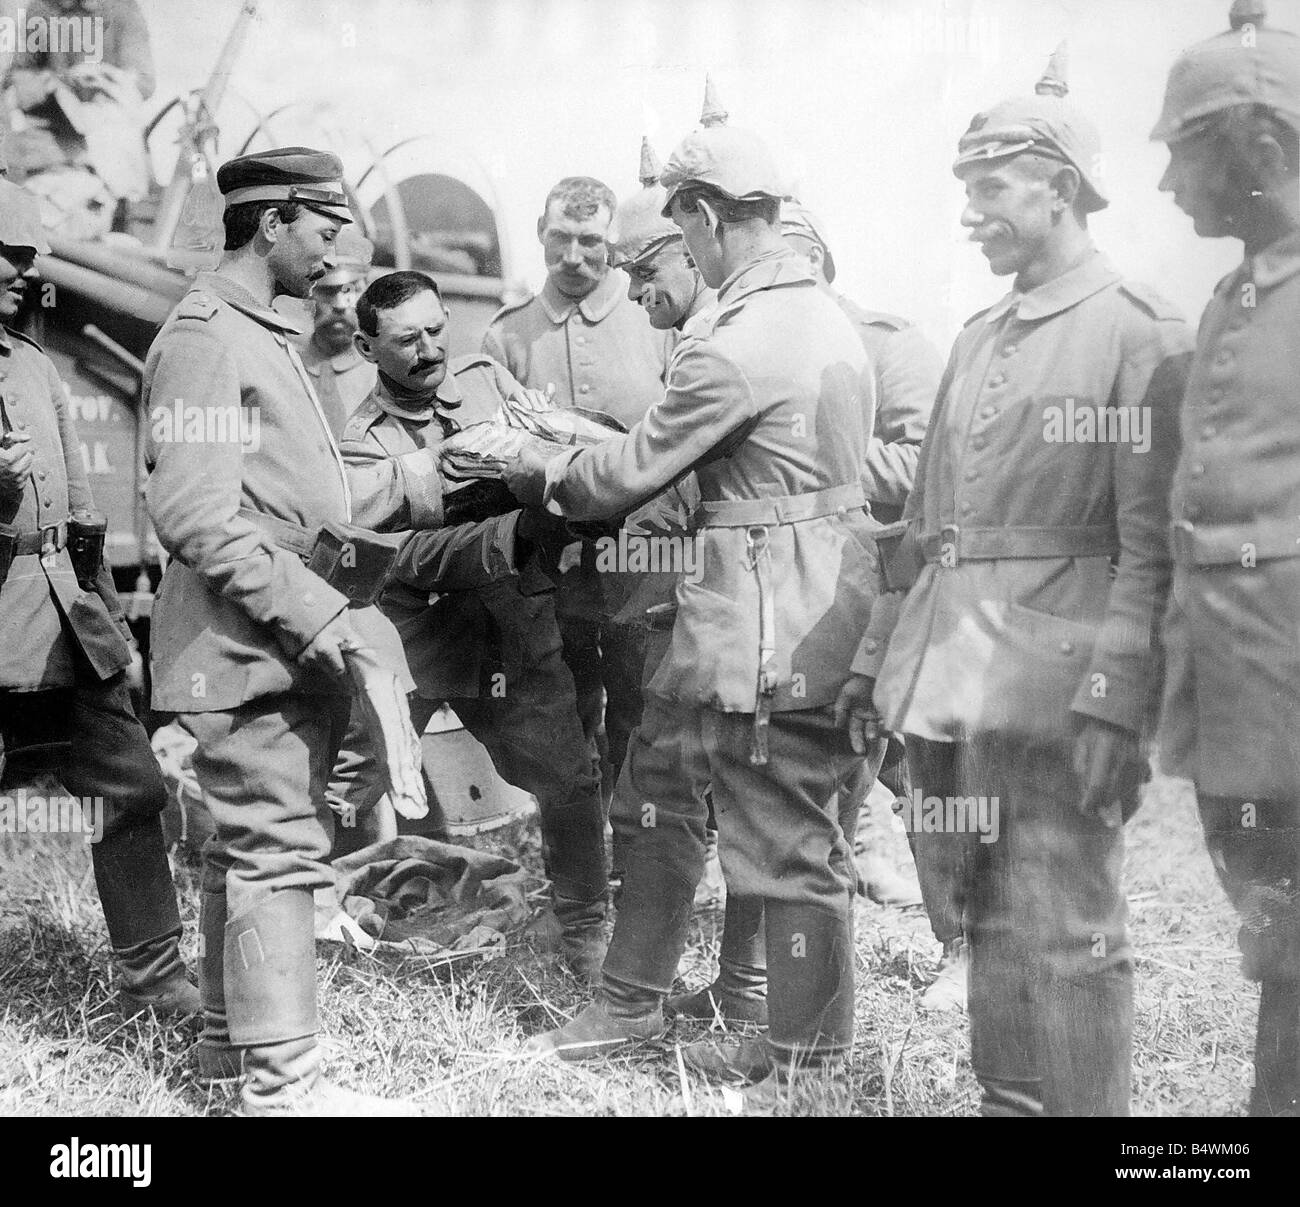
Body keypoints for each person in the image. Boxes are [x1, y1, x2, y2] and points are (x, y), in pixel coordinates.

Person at [838, 50, 1193, 1117]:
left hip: (1060, 692)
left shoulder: (1139, 328)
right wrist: (870, 662)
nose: (971, 216)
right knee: (979, 907)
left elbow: (1150, 550)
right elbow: (925, 527)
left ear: (1059, 185)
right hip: (952, 683)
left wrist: (1113, 701)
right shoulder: (980, 336)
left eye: (989, 189)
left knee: (1071, 929)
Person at [505, 119, 882, 1105]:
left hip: (760, 617)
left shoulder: (736, 338)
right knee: (693, 797)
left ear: (705, 219)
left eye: (675, 239)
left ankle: (806, 1069)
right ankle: (683, 1009)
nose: (654, 278)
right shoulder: (823, 313)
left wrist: (527, 466)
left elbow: (618, 479)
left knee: (788, 843)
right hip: (782, 604)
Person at [143, 146, 418, 1117]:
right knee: (275, 851)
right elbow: (196, 515)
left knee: (242, 845)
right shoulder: (209, 336)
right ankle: (282, 1084)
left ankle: (230, 1051)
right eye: (327, 225)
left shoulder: (266, 330)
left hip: (267, 639)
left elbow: (301, 491)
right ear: (273, 223)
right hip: (244, 641)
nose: (339, 248)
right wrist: (324, 611)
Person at [332, 268, 610, 982]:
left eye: (434, 330)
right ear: (367, 348)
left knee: (566, 770)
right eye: (405, 340)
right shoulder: (358, 442)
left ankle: (581, 920)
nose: (428, 350)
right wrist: (509, 523)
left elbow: (550, 452)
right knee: (352, 780)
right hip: (414, 632)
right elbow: (394, 554)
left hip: (508, 619)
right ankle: (327, 920)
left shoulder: (486, 378)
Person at [1152, 0, 1300, 1117]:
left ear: (1257, 143)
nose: (1168, 187)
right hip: (1239, 686)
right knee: (1279, 934)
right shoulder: (1234, 294)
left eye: (1183, 151)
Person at [0, 175, 196, 1020]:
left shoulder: (33, 364)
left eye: (26, 253)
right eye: (6, 254)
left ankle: (153, 980)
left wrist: (111, 625)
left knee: (134, 788)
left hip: (64, 619)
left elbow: (82, 511)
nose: (26, 268)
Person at [483, 174, 674, 812]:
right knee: (563, 709)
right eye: (559, 238)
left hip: (648, 555)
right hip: (550, 560)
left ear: (613, 242)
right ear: (539, 235)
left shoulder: (658, 317)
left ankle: (646, 848)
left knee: (643, 700)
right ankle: (581, 851)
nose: (573, 257)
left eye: (591, 241)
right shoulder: (506, 337)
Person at [782, 200, 940, 915]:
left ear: (811, 259)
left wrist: (808, 459)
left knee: (922, 767)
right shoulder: (759, 350)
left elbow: (924, 469)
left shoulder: (886, 343)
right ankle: (846, 871)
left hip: (890, 587)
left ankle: (959, 933)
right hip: (802, 593)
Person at [5, 0, 156, 233]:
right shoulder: (43, 8)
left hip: (103, 141)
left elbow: (143, 81)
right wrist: (49, 83)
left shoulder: (123, 10)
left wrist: (100, 77)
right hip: (47, 136)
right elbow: (17, 75)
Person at [296, 226, 377, 438]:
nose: (340, 305)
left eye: (351, 290)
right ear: (309, 297)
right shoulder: (287, 360)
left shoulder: (383, 370)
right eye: (328, 291)